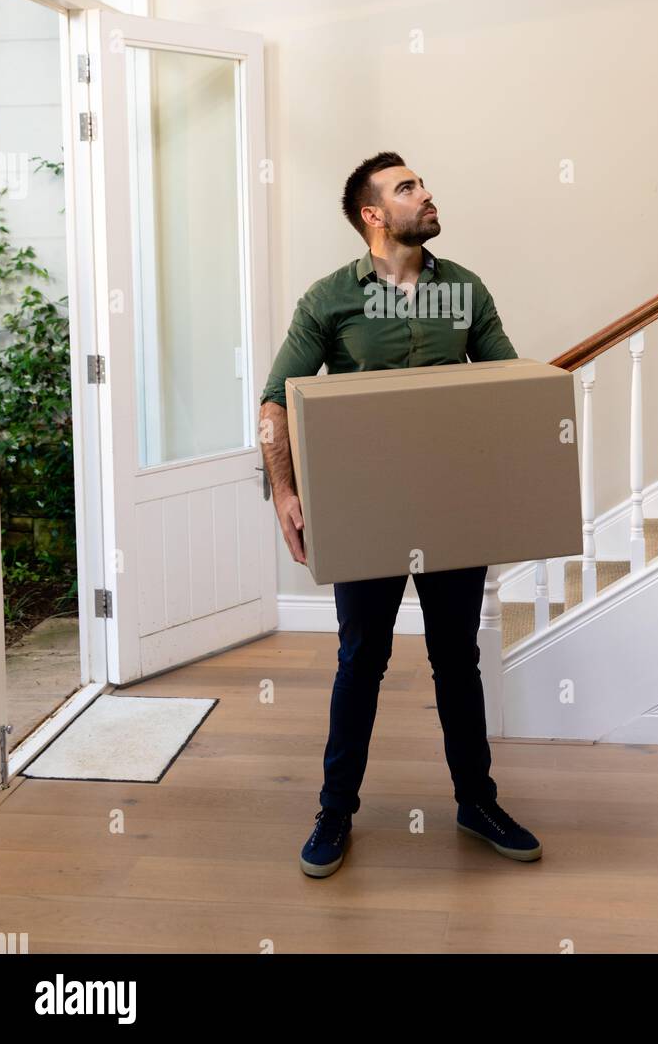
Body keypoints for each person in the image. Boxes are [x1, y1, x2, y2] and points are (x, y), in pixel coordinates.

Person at [258, 152, 542, 877]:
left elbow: (508, 385)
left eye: (423, 182)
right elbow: (275, 401)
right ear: (373, 215)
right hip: (366, 510)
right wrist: (286, 495)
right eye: (409, 188)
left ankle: (476, 802)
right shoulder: (329, 300)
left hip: (451, 506)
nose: (427, 193)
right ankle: (333, 810)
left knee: (458, 658)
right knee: (363, 658)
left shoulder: (466, 290)